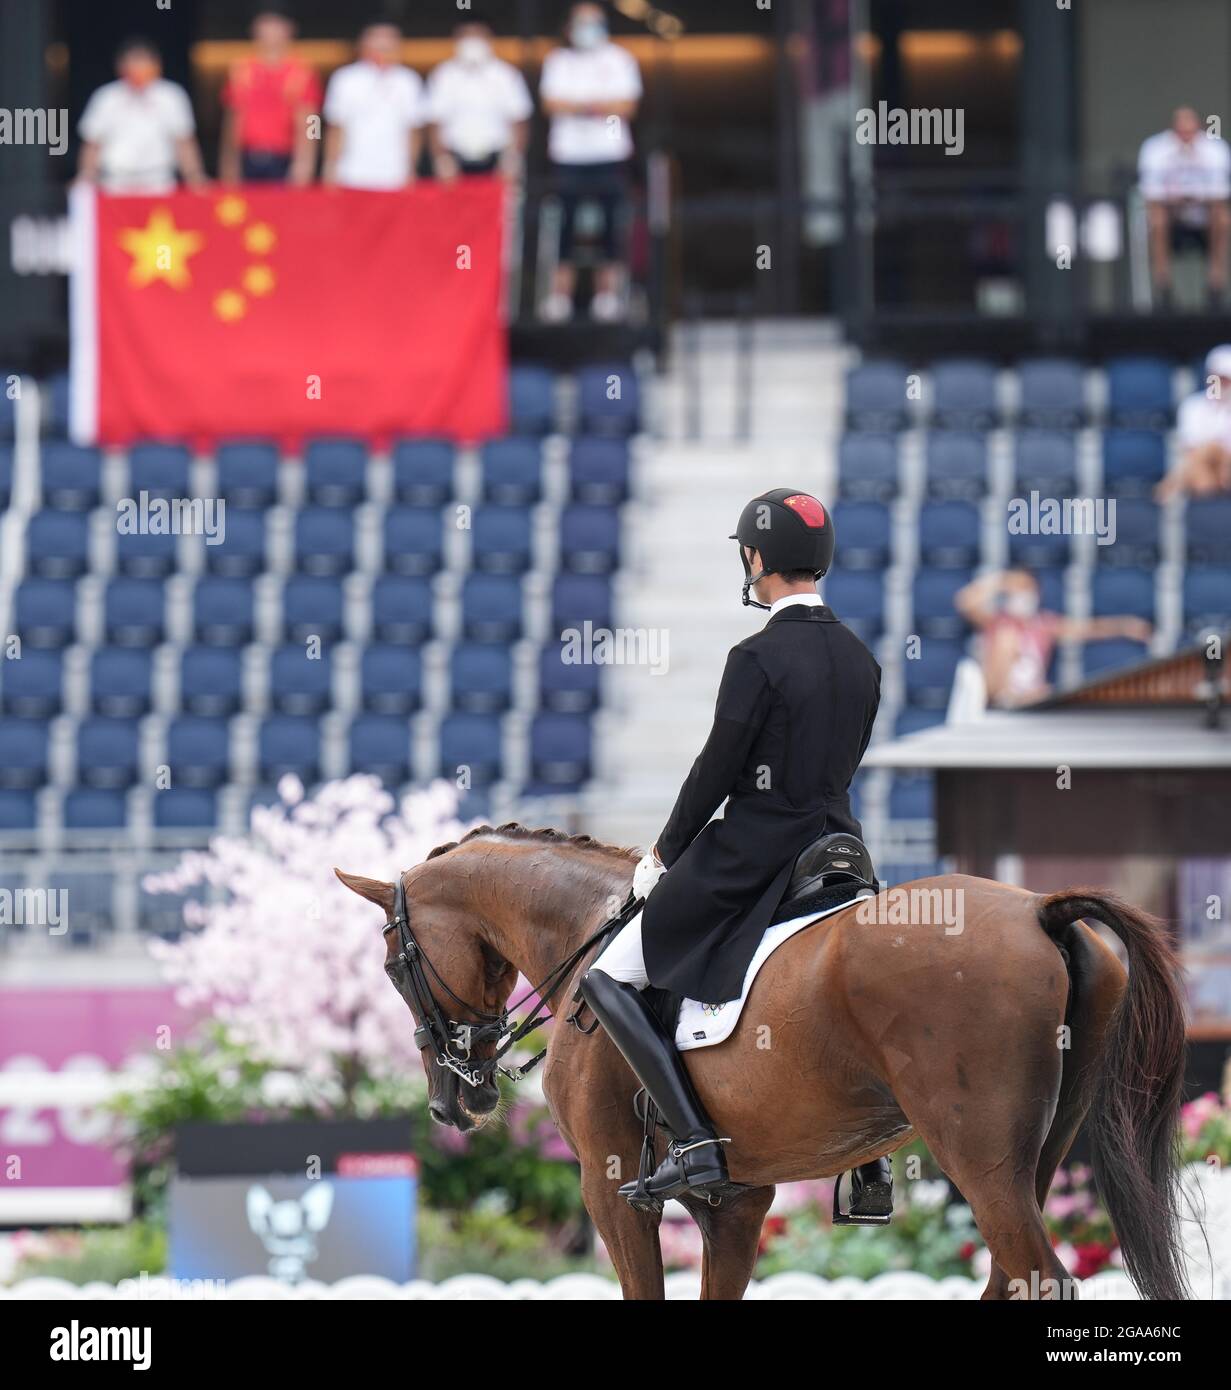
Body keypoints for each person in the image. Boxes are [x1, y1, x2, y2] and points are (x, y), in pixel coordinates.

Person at [578, 490, 891, 1211]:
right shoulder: (860, 658)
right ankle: (869, 1159)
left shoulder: (755, 655)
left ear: (757, 559)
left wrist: (662, 855)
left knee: (608, 976)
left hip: (756, 849)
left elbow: (716, 770)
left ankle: (691, 1141)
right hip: (840, 848)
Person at [539, 3, 642, 323]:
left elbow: (626, 106)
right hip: (569, 154)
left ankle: (607, 297)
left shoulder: (619, 59)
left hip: (608, 153)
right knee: (565, 226)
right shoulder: (559, 61)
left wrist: (580, 106)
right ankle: (559, 298)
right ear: (569, 27)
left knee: (610, 224)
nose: (588, 29)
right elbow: (552, 104)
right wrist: (598, 106)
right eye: (582, 23)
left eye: (594, 23)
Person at [955, 571, 1153, 709]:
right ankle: (1005, 699)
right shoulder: (996, 621)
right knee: (1006, 637)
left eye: (1025, 589)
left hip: (1031, 699)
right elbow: (964, 602)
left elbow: (1088, 629)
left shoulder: (1044, 624)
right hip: (998, 696)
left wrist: (1125, 626)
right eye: (1015, 590)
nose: (1020, 595)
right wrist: (1002, 580)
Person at [76, 37, 206, 194]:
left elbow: (184, 142)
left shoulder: (171, 96)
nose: (138, 70)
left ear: (156, 65)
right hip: (115, 184)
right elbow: (93, 143)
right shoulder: (106, 97)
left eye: (143, 63)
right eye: (133, 63)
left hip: (159, 183)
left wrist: (195, 176)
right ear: (121, 67)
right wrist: (86, 176)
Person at [1138, 107, 1231, 307]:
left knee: (1223, 216)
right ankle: (1163, 287)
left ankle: (1215, 284)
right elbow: (1151, 193)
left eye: (1190, 132)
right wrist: (1180, 199)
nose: (1186, 137)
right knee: (1156, 218)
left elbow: (1220, 193)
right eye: (1182, 132)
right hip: (1171, 217)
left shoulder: (1215, 148)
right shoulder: (1155, 148)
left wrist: (1193, 197)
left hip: (1205, 218)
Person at [219, 6, 321, 185]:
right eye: (266, 24)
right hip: (247, 157)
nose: (270, 32)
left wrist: (306, 162)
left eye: (276, 25)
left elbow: (313, 120)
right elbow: (232, 119)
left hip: (284, 157)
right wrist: (229, 164)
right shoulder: (241, 69)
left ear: (289, 29)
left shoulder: (302, 71)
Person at [321, 21, 424, 190]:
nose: (383, 43)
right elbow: (336, 126)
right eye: (377, 37)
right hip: (351, 173)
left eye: (389, 38)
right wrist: (331, 166)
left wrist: (411, 167)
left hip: (395, 175)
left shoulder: (408, 80)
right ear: (363, 42)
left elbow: (413, 129)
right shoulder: (345, 79)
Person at [426, 21, 532, 180]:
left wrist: (513, 158)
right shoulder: (443, 75)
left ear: (489, 39)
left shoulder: (506, 75)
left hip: (497, 160)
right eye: (467, 36)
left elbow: (519, 119)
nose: (472, 41)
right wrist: (441, 158)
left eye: (478, 35)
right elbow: (434, 122)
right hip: (455, 162)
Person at [1156, 344, 1231, 499]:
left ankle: (1170, 485)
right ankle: (1210, 511)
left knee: (1207, 454)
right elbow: (1191, 449)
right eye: (1219, 379)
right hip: (1203, 471)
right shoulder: (1193, 405)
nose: (1223, 385)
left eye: (1227, 380)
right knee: (1200, 470)